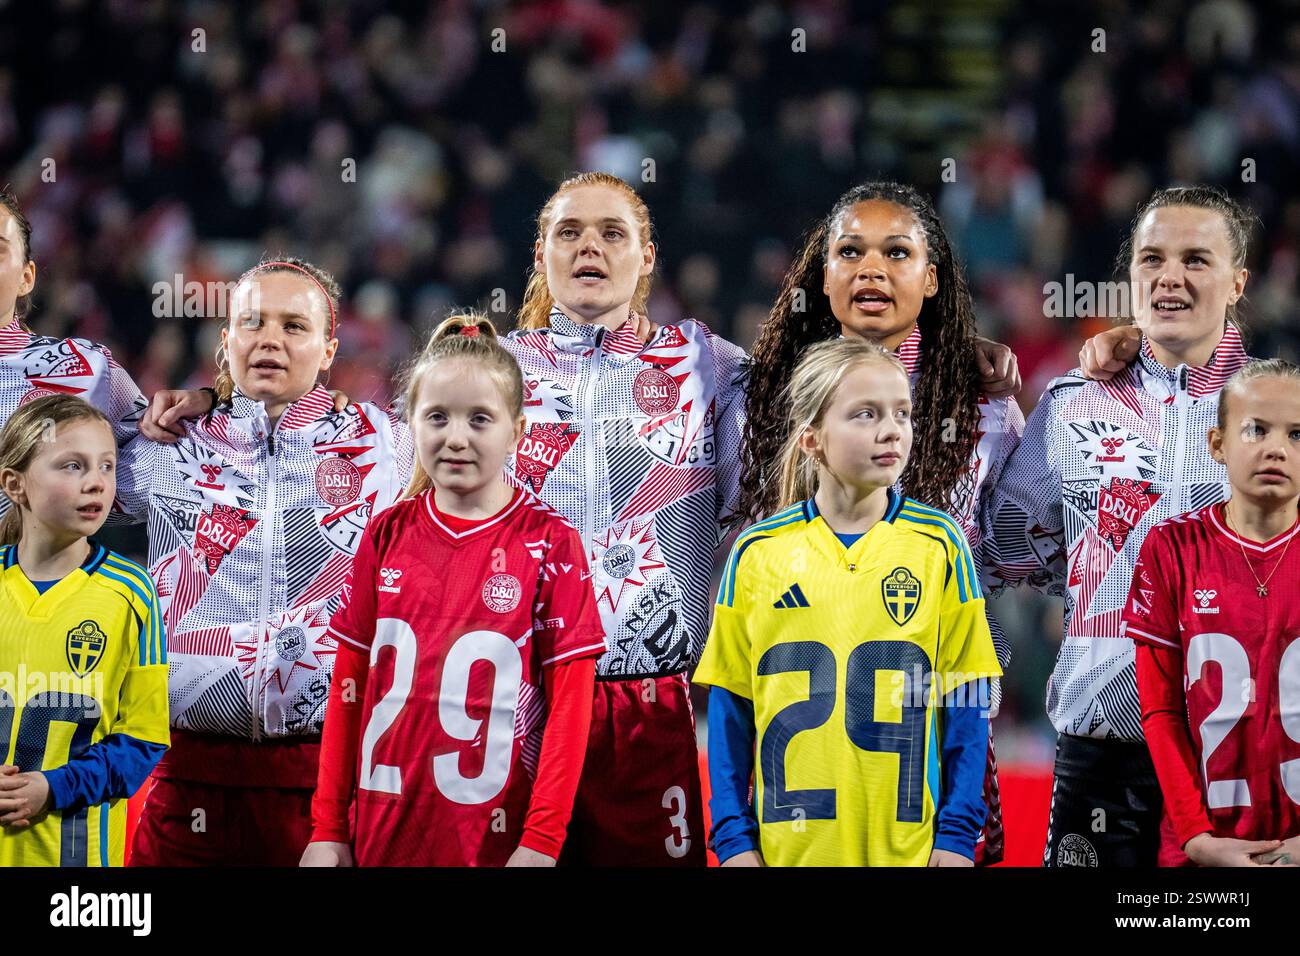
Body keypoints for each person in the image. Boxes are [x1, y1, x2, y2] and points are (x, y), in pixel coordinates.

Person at [737, 181, 1024, 864]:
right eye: (850, 252)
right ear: (823, 277)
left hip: (943, 739)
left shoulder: (987, 413)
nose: (872, 268)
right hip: (797, 738)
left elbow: (1025, 553)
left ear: (931, 279)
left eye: (897, 253)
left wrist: (1124, 350)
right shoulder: (755, 400)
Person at [981, 185, 1256, 867]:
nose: (1170, 275)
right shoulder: (1073, 405)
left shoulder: (1277, 412)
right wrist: (1084, 580)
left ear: (1238, 281)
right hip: (1102, 747)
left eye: (1196, 259)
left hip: (1238, 751)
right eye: (1152, 257)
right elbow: (1007, 535)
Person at [119, 257, 414, 866]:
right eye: (252, 322)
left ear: (330, 347)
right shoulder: (168, 442)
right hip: (184, 769)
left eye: (293, 326)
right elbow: (43, 483)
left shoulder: (392, 449)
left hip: (327, 779)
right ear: (226, 342)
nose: (270, 339)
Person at [301, 314, 605, 866]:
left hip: (491, 840)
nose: (456, 437)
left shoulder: (551, 543)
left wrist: (542, 839)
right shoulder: (385, 532)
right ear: (411, 424)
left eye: (480, 419)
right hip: (382, 833)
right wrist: (328, 827)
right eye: (437, 417)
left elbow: (571, 706)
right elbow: (348, 688)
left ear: (517, 431)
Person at [696, 338, 1001, 866]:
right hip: (784, 853)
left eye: (902, 413)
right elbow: (731, 711)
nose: (891, 429)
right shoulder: (756, 553)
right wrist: (732, 838)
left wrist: (955, 837)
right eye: (865, 414)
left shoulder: (940, 545)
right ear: (812, 438)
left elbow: (967, 700)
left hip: (908, 853)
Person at [1125, 360, 1300, 867]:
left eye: (1296, 434)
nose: (1276, 448)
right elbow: (1161, 712)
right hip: (1203, 847)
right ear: (1217, 444)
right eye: (1256, 429)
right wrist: (1195, 837)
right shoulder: (1171, 547)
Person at [0, 395, 169, 866]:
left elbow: (144, 742)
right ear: (15, 484)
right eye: (72, 466)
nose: (96, 482)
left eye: (108, 466)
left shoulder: (132, 593)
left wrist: (53, 788)